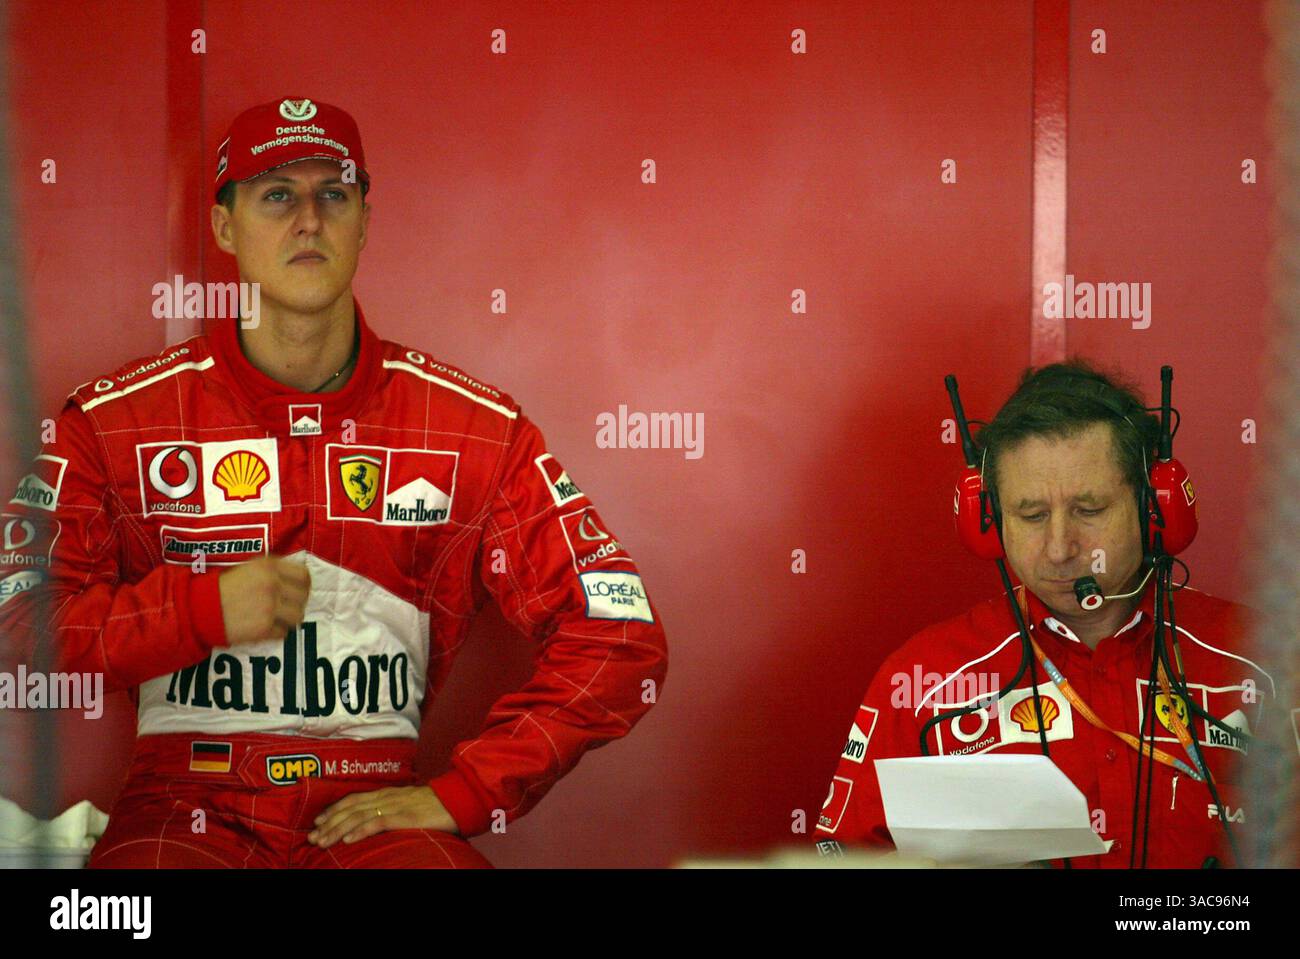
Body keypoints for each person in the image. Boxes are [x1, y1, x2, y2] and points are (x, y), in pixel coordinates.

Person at [0, 95, 668, 868]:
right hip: (182, 807)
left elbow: (620, 633)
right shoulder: (118, 419)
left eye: (334, 194)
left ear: (364, 219)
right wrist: (199, 607)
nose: (308, 219)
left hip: (371, 811)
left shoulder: (474, 429)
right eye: (277, 194)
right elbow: (20, 624)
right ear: (224, 225)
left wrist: (463, 792)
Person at [812, 360, 1292, 868]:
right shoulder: (923, 681)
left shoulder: (1266, 661)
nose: (1060, 548)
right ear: (990, 523)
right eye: (1032, 515)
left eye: (1089, 510)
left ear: (1156, 507)